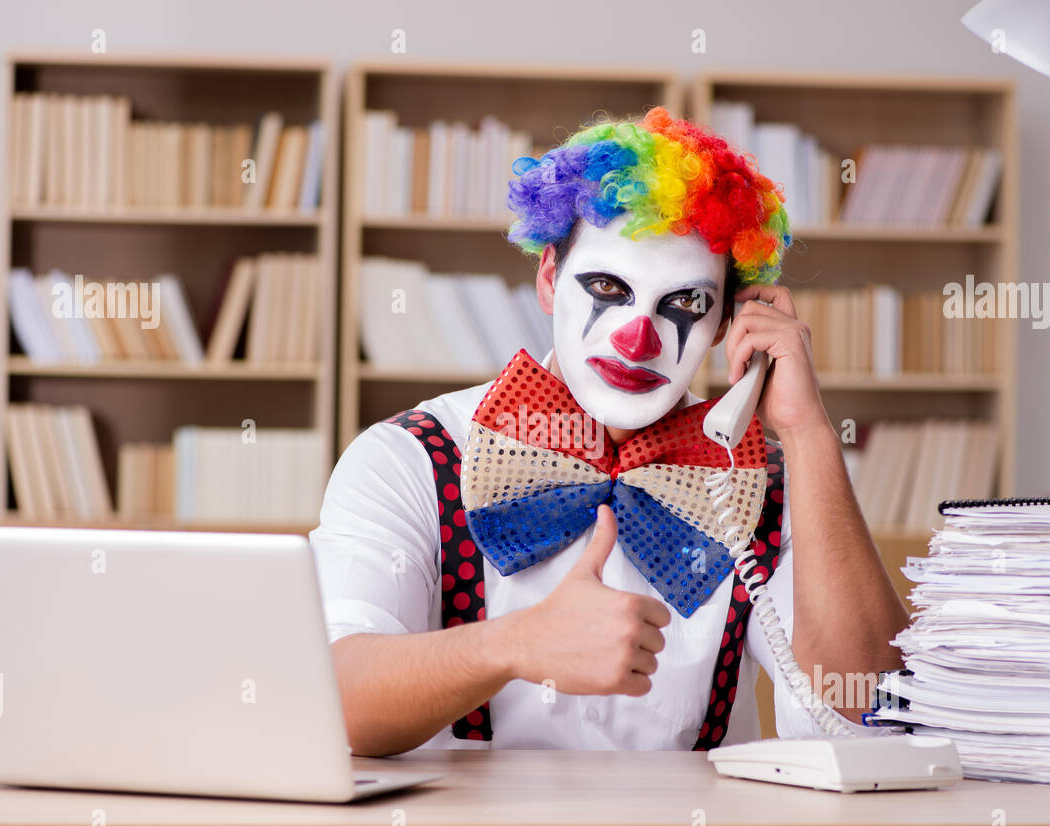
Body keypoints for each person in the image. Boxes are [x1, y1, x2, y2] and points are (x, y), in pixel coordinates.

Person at [311, 107, 908, 757]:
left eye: (683, 304)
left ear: (725, 324)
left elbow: (873, 720)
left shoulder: (762, 482)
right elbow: (331, 704)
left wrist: (809, 431)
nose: (639, 336)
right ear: (548, 278)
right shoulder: (409, 460)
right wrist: (515, 642)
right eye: (605, 285)